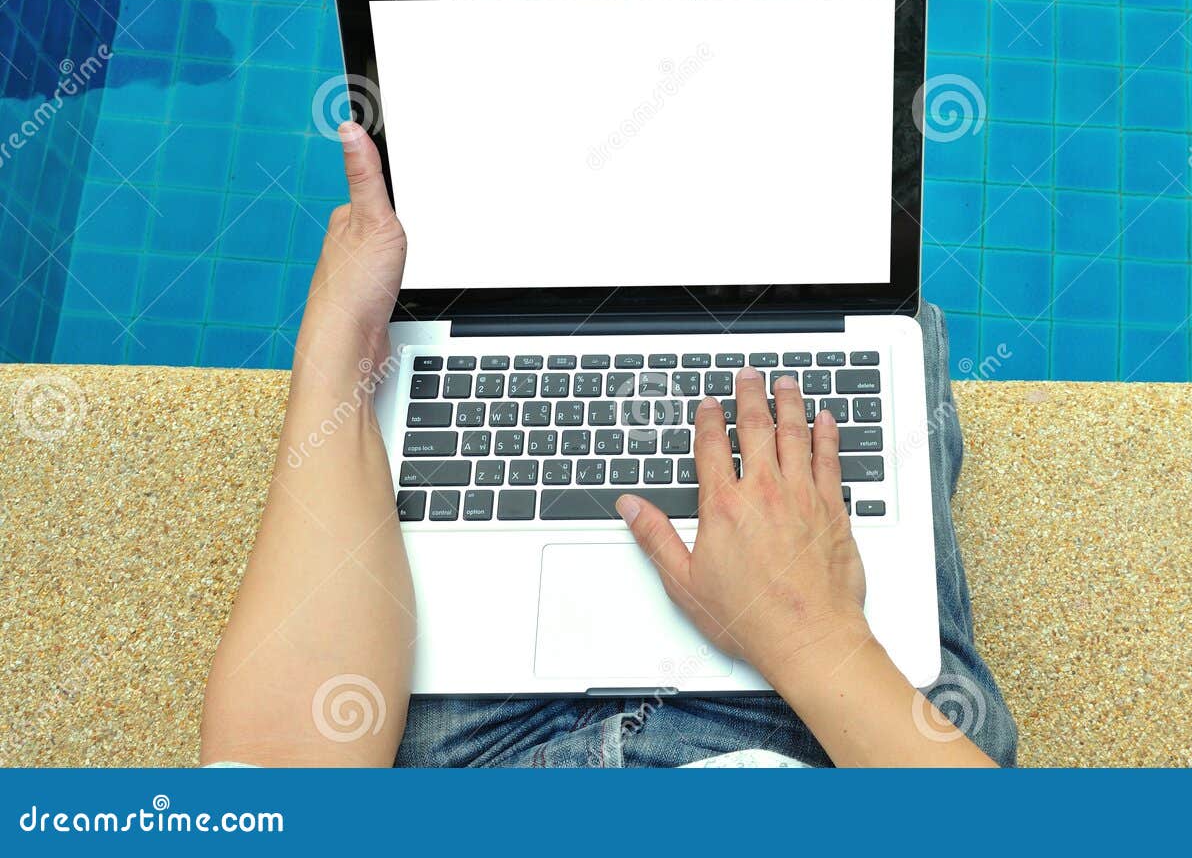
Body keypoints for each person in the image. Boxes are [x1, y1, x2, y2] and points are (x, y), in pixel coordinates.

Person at [199, 122, 1016, 767]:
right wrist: (813, 632)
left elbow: (281, 776)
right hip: (818, 727)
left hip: (469, 756)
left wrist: (334, 363)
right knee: (893, 335)